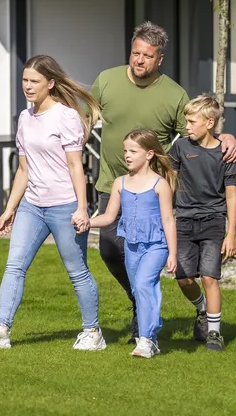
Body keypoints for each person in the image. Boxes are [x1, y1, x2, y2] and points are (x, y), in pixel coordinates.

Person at [90, 21, 236, 343]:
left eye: (147, 56)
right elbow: (84, 117)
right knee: (110, 250)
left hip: (149, 191)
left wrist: (225, 135)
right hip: (111, 185)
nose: (139, 60)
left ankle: (144, 318)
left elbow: (197, 130)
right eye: (135, 53)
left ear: (160, 59)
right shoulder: (105, 81)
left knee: (144, 252)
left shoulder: (173, 94)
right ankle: (139, 302)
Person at [0, 55, 105, 351]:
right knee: (14, 266)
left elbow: (76, 167)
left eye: (34, 81)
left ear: (51, 83)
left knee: (77, 271)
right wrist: (10, 208)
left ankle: (92, 332)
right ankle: (2, 329)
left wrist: (82, 208)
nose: (28, 86)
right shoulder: (24, 118)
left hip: (64, 207)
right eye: (25, 80)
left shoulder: (66, 116)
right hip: (32, 206)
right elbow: (24, 169)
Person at [90, 129, 177, 358]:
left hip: (156, 246)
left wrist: (173, 254)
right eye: (125, 151)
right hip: (132, 247)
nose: (127, 155)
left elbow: (168, 220)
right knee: (140, 291)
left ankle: (146, 339)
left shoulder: (160, 185)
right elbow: (109, 217)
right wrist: (86, 222)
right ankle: (151, 337)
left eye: (133, 151)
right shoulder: (119, 183)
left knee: (143, 284)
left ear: (149, 154)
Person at [169, 94, 236, 352]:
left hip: (213, 221)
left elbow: (231, 195)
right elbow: (169, 182)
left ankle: (214, 334)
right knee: (184, 279)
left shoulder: (226, 153)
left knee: (210, 277)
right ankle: (201, 308)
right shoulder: (180, 148)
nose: (186, 127)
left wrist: (231, 233)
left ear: (209, 123)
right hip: (184, 221)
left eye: (191, 122)